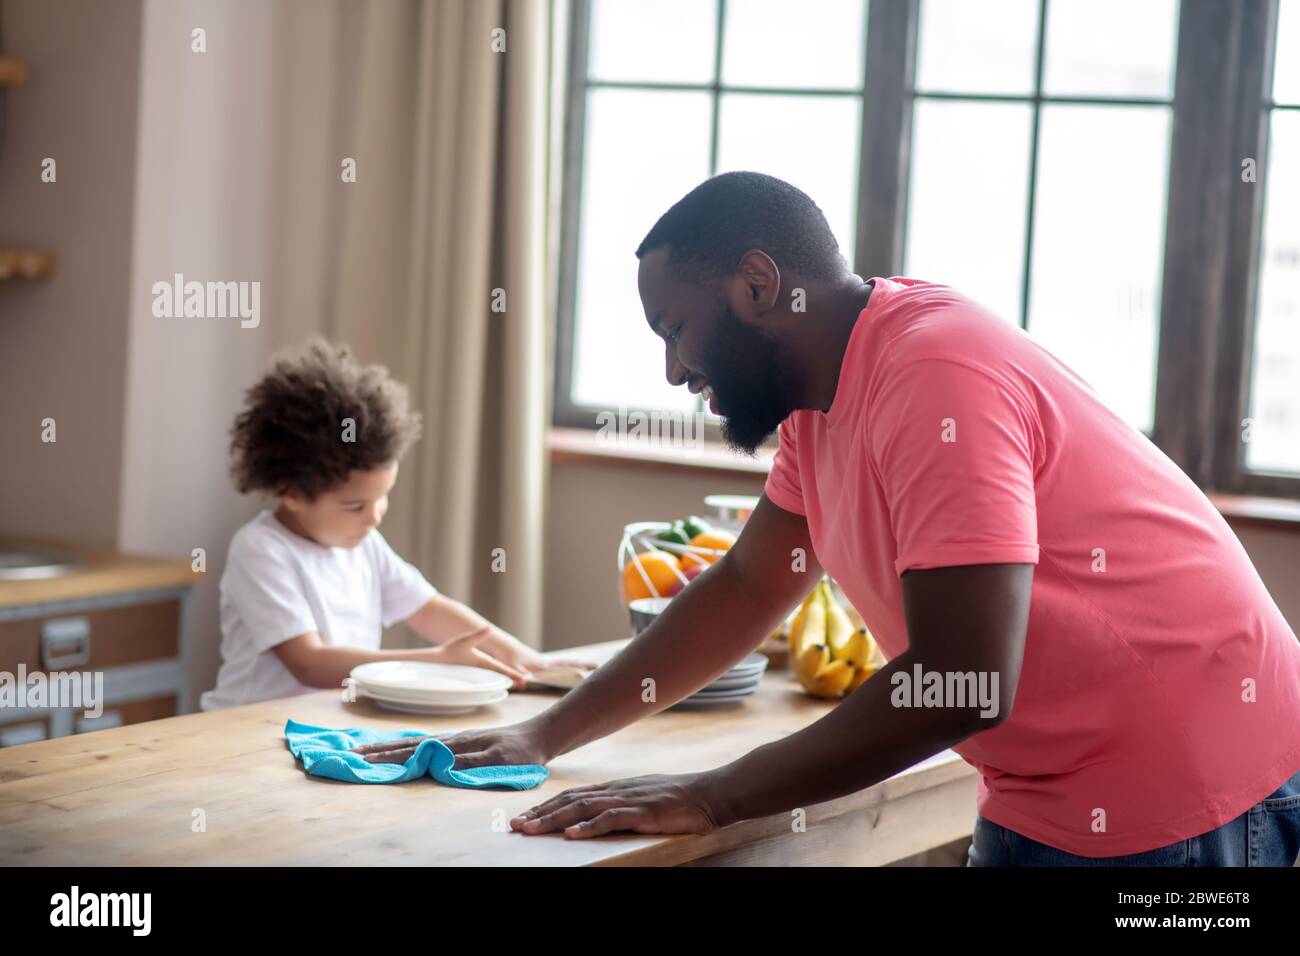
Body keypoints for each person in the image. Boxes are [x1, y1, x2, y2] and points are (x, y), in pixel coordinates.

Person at [355, 172, 1300, 866]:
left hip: (1197, 790)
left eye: (675, 329)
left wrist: (711, 794)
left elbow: (965, 679)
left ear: (760, 286)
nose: (675, 374)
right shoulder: (823, 397)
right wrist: (545, 734)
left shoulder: (935, 375)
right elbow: (748, 584)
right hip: (1052, 787)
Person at [201, 339, 589, 710]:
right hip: (248, 726)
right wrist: (436, 661)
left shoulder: (365, 544)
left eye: (383, 496)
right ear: (291, 491)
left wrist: (523, 656)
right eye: (355, 505)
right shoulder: (261, 550)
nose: (374, 516)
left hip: (326, 724)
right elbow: (309, 662)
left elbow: (429, 609)